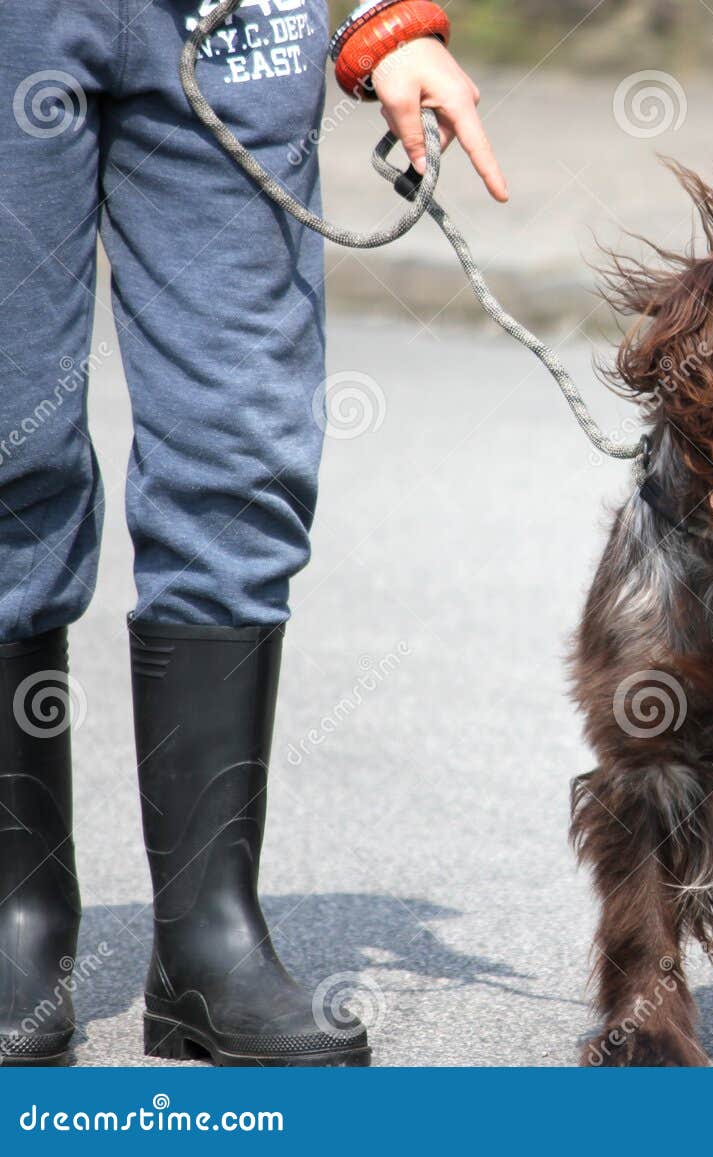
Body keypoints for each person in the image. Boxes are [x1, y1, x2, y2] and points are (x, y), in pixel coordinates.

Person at [0, 0, 506, 1066]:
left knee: (241, 453)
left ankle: (205, 942)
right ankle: (18, 921)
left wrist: (382, 18)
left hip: (237, 22)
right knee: (8, 445)